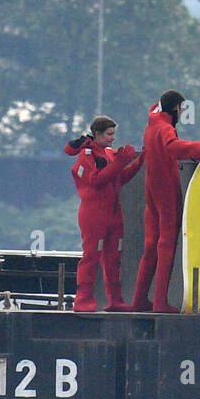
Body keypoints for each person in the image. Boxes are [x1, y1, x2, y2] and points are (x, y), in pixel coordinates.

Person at [126, 90, 200, 313]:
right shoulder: (165, 130)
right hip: (166, 190)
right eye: (181, 108)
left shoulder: (151, 126)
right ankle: (160, 301)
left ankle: (139, 299)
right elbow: (174, 147)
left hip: (151, 191)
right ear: (176, 108)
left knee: (151, 246)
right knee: (166, 245)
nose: (182, 112)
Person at [67, 116, 144, 312]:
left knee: (113, 259)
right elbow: (96, 180)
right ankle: (83, 298)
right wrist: (122, 162)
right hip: (94, 216)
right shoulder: (86, 157)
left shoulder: (109, 155)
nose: (112, 138)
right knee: (91, 257)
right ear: (98, 134)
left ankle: (115, 299)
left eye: (114, 134)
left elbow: (119, 178)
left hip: (114, 215)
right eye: (109, 134)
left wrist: (139, 161)